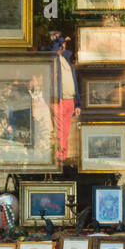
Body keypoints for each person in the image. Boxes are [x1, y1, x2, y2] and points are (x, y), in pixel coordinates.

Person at [47, 32, 80, 162]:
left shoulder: (66, 60)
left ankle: (62, 157)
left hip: (69, 101)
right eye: (62, 43)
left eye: (64, 43)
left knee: (65, 133)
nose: (63, 46)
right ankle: (60, 158)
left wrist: (77, 104)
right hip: (58, 100)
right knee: (60, 132)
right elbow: (53, 50)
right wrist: (60, 39)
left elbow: (74, 83)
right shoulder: (52, 58)